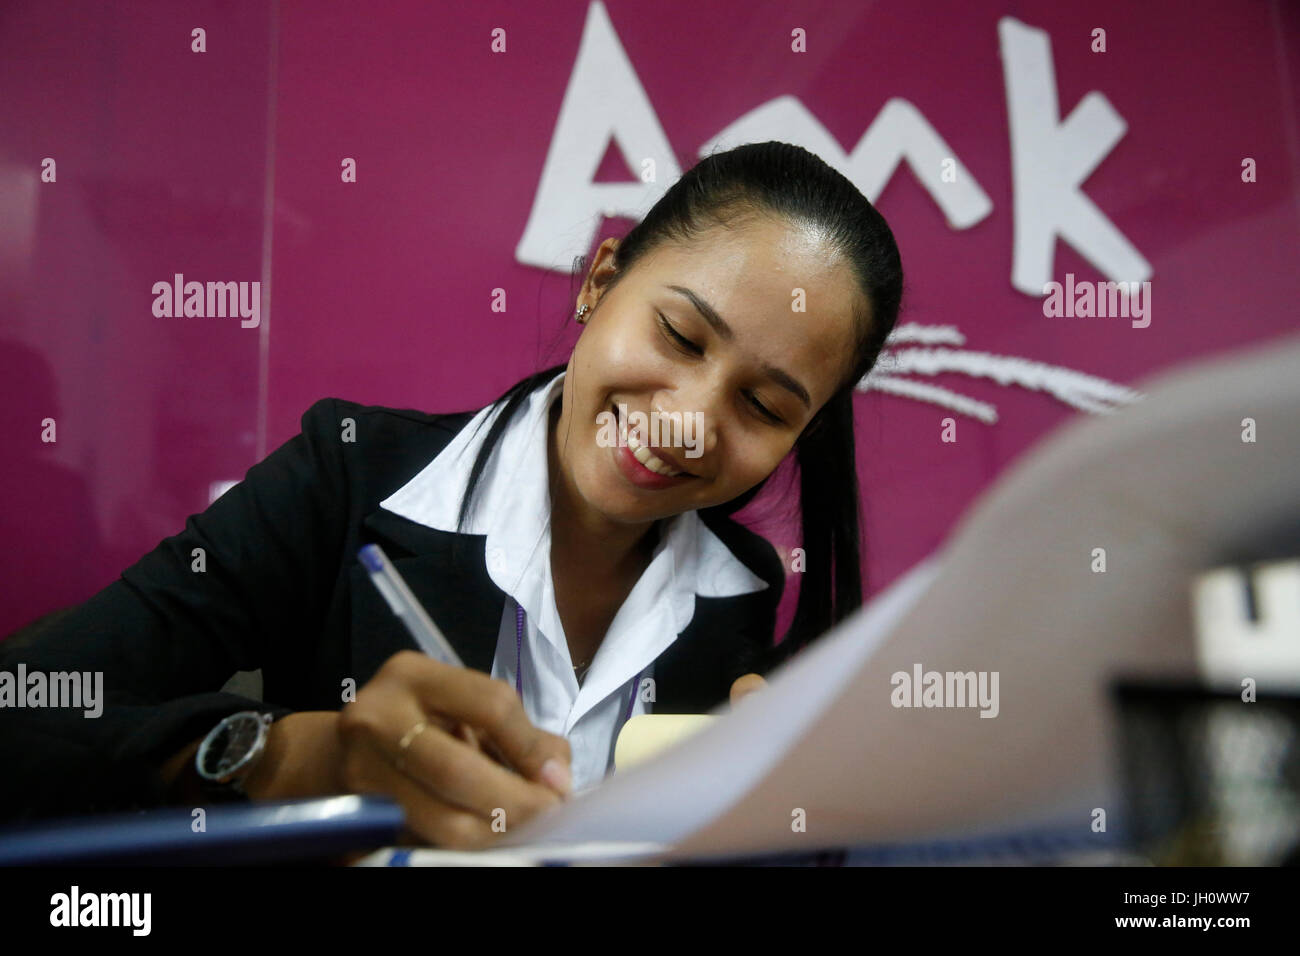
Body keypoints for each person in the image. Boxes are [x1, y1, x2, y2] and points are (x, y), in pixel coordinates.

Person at [0, 140, 903, 849]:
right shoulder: (347, 476)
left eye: (761, 405)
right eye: (677, 335)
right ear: (600, 282)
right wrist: (285, 760)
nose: (690, 425)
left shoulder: (743, 590)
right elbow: (24, 718)